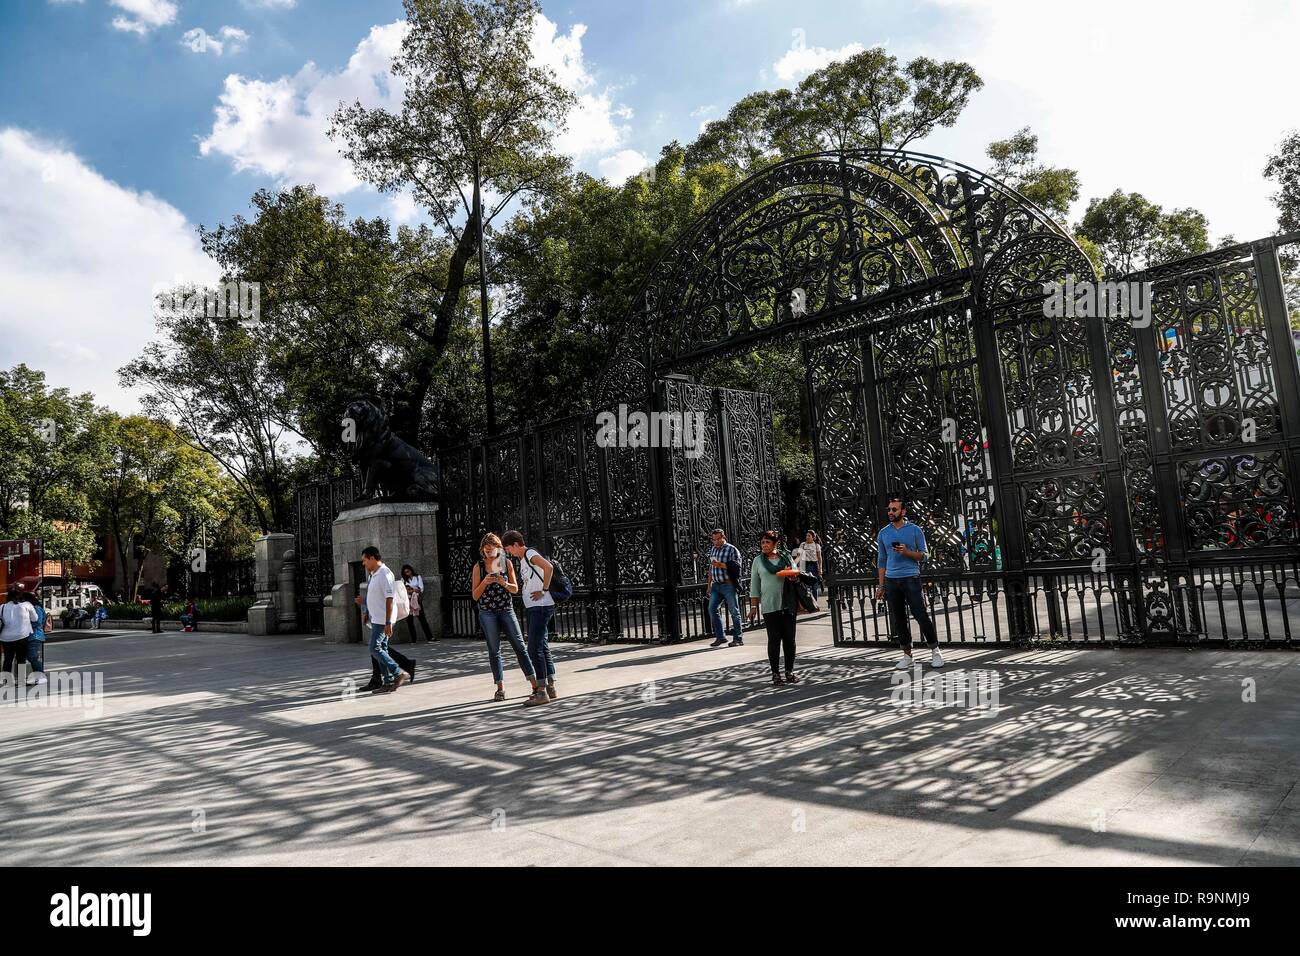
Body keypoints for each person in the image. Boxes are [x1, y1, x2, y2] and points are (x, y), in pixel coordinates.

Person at [876, 498, 944, 671]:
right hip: (891, 581)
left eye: (894, 509)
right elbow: (882, 561)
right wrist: (881, 586)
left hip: (911, 578)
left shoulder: (915, 530)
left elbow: (925, 556)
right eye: (889, 509)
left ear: (903, 512)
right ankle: (907, 655)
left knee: (921, 614)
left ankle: (935, 651)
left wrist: (907, 552)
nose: (891, 512)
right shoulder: (884, 533)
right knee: (899, 619)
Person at [472, 533, 541, 702]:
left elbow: (515, 589)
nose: (489, 554)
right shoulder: (478, 567)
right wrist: (485, 582)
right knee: (494, 650)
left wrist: (504, 583)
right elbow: (475, 595)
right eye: (486, 551)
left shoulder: (505, 562)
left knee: (520, 646)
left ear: (499, 549)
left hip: (505, 609)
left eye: (492, 550)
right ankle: (500, 688)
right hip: (487, 612)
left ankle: (535, 684)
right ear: (482, 550)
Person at [501, 530, 557, 706]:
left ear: (516, 544)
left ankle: (541, 691)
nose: (509, 552)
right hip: (535, 607)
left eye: (509, 548)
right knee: (542, 645)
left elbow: (549, 567)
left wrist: (544, 590)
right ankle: (550, 686)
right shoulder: (523, 558)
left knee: (533, 648)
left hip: (541, 606)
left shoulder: (529, 553)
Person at [747, 530, 800, 686]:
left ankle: (789, 671)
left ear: (775, 544)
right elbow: (754, 585)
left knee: (790, 640)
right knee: (774, 640)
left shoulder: (785, 557)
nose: (764, 545)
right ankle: (775, 673)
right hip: (769, 606)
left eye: (767, 542)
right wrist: (753, 606)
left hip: (787, 604)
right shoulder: (758, 561)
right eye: (762, 542)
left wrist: (792, 575)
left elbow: (796, 573)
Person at [358, 546, 408, 694]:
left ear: (372, 558)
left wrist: (388, 622)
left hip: (383, 620)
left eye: (365, 560)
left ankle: (397, 672)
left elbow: (389, 599)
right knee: (382, 649)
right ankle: (386, 682)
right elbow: (374, 597)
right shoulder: (374, 574)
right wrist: (367, 611)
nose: (363, 563)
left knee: (374, 647)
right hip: (376, 618)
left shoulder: (385, 574)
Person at [705, 528, 744, 648]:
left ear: (723, 537)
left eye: (718, 539)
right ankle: (720, 636)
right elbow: (711, 568)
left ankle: (738, 638)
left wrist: (720, 565)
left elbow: (737, 567)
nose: (715, 542)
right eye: (713, 540)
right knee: (712, 609)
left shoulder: (732, 549)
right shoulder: (713, 549)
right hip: (716, 585)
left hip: (728, 584)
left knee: (734, 611)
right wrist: (709, 585)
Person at [1, 587, 36, 678]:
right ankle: (20, 680)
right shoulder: (26, 605)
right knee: (21, 659)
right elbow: (35, 619)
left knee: (8, 659)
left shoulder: (2, 607)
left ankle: (6, 680)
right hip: (22, 636)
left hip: (5, 637)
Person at [400, 565, 436, 643]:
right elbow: (403, 591)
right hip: (408, 601)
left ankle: (430, 637)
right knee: (409, 620)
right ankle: (413, 639)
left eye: (408, 571)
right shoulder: (403, 580)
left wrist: (411, 590)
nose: (407, 573)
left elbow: (421, 589)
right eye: (405, 572)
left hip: (417, 600)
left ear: (411, 570)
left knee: (422, 618)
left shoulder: (417, 577)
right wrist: (414, 589)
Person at [24, 592, 47, 685]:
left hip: (35, 635)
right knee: (31, 657)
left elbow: (37, 622)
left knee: (33, 657)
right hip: (31, 635)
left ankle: (41, 676)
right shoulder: (34, 608)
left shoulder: (36, 608)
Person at [800, 530, 823, 598]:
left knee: (814, 587)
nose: (807, 537)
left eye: (809, 536)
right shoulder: (802, 544)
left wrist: (820, 569)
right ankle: (809, 604)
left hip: (814, 566)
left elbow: (819, 558)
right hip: (805, 565)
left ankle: (815, 603)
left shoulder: (816, 546)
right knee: (806, 587)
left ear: (813, 537)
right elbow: (799, 556)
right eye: (806, 535)